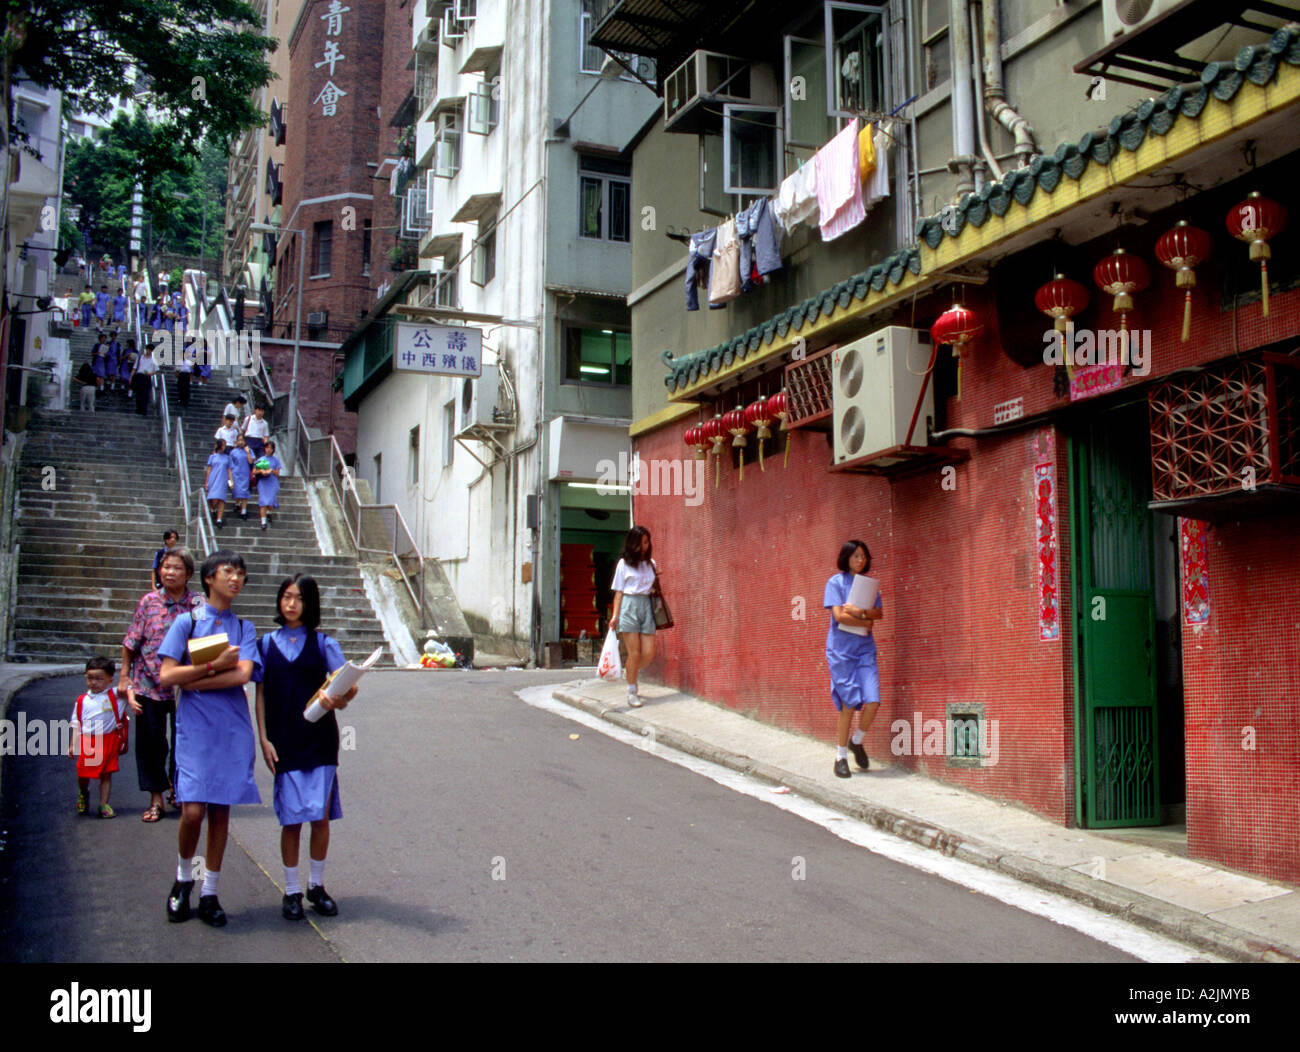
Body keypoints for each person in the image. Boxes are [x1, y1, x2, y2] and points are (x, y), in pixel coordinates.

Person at [157, 550, 261, 927]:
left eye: (240, 574)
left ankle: (211, 891)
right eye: (228, 572)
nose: (235, 579)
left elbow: (242, 676)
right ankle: (184, 879)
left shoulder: (244, 628)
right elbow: (167, 676)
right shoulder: (186, 622)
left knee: (220, 812)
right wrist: (210, 666)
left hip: (232, 728)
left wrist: (197, 680)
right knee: (193, 810)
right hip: (196, 728)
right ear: (208, 579)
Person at [255, 574, 357, 921]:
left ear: (309, 604)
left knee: (320, 816)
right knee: (292, 819)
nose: (291, 604)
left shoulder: (324, 643)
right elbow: (260, 694)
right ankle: (291, 890)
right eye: (286, 597)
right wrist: (264, 738)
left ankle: (315, 885)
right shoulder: (266, 644)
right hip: (285, 741)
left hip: (320, 740)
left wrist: (335, 701)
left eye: (299, 598)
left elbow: (348, 686)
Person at [121, 547, 202, 822]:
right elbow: (131, 642)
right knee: (151, 743)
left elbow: (209, 640)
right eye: (165, 567)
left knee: (184, 742)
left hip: (186, 686)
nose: (169, 572)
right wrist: (124, 678)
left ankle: (177, 789)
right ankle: (156, 798)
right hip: (148, 684)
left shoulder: (198, 605)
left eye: (176, 568)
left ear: (189, 573)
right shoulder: (148, 602)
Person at [823, 539, 884, 779]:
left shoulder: (870, 586)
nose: (861, 560)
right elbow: (839, 616)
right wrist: (864, 619)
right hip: (841, 652)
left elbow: (878, 613)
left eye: (864, 556)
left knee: (873, 701)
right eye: (857, 556)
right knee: (848, 704)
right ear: (846, 557)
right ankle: (840, 757)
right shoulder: (835, 583)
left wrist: (857, 612)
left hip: (865, 649)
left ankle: (856, 741)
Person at [68, 656, 127, 819]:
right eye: (90, 678)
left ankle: (103, 804)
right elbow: (76, 722)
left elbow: (130, 687)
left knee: (106, 774)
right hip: (88, 740)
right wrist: (72, 744)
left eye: (99, 678)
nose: (94, 682)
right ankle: (83, 792)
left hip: (109, 739)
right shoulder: (82, 700)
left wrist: (133, 701)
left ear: (110, 679)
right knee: (83, 773)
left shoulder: (115, 695)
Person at [608, 526, 659, 709]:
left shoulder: (651, 564)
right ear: (632, 543)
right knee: (635, 653)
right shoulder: (623, 564)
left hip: (647, 606)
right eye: (640, 542)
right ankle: (631, 690)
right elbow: (619, 592)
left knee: (649, 652)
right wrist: (615, 616)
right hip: (629, 606)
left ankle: (630, 672)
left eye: (646, 542)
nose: (644, 546)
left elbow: (654, 588)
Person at [253, 441, 281, 531]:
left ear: (273, 449)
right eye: (267, 447)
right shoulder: (261, 459)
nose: (269, 449)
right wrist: (261, 470)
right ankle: (263, 522)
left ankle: (269, 512)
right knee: (263, 502)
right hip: (263, 483)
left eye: (270, 448)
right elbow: (254, 471)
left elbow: (277, 474)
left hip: (272, 482)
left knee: (270, 502)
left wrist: (271, 470)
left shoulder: (276, 460)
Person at [206, 439, 233, 528]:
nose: (223, 447)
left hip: (223, 479)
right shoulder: (212, 457)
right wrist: (206, 481)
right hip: (213, 478)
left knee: (221, 499)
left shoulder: (227, 458)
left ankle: (219, 519)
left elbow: (229, 470)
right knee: (214, 498)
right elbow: (209, 469)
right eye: (222, 445)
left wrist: (231, 481)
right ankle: (213, 508)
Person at [229, 435, 254, 520]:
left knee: (244, 492)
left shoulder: (249, 450)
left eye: (242, 440)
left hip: (245, 474)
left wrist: (247, 452)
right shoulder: (233, 452)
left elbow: (251, 461)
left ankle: (243, 511)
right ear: (236, 441)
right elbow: (230, 465)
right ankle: (237, 504)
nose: (241, 442)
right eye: (239, 440)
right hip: (235, 474)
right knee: (236, 491)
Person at [131, 344, 159, 416]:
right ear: (146, 349)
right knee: (138, 393)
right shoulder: (140, 357)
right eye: (148, 350)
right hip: (139, 375)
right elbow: (134, 368)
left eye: (150, 350)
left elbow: (156, 370)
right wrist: (131, 377)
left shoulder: (153, 359)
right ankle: (138, 409)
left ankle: (144, 410)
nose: (149, 351)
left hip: (147, 376)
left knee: (145, 394)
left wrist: (150, 374)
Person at [176, 339, 195, 409]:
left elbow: (191, 371)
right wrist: (177, 376)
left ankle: (185, 402)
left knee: (186, 389)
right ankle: (180, 400)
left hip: (186, 376)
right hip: (181, 375)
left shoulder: (188, 361)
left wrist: (190, 379)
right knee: (180, 388)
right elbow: (176, 370)